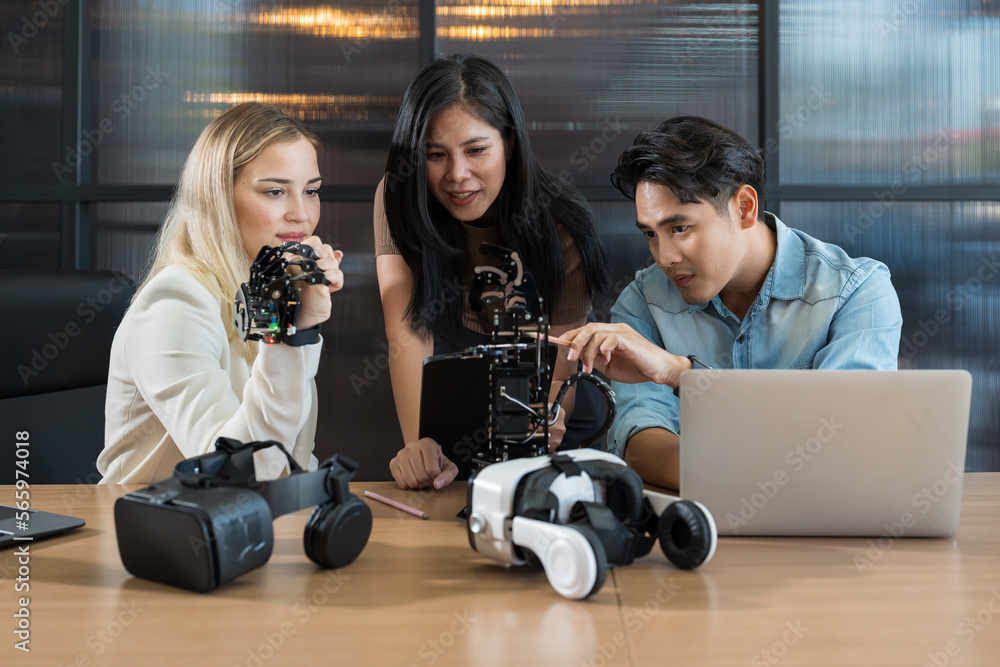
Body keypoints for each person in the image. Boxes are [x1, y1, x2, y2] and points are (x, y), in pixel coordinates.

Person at [563, 115, 902, 489]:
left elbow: (840, 445)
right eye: (650, 234)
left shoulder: (857, 292)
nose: (664, 256)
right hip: (703, 532)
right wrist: (756, 478)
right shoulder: (642, 302)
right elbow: (639, 439)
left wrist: (681, 374)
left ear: (743, 207)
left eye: (679, 228)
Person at [376, 54, 610, 490]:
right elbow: (407, 332)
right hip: (457, 413)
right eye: (435, 155)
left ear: (510, 143)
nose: (457, 176)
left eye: (476, 150)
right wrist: (421, 447)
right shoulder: (399, 201)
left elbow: (562, 361)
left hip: (556, 416)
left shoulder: (560, 225)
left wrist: (548, 419)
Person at [98, 103, 344, 483]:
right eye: (276, 191)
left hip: (247, 525)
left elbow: (292, 460)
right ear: (219, 197)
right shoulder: (175, 302)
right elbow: (236, 470)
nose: (301, 214)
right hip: (158, 533)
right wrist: (290, 335)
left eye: (311, 191)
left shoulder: (268, 292)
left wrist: (301, 320)